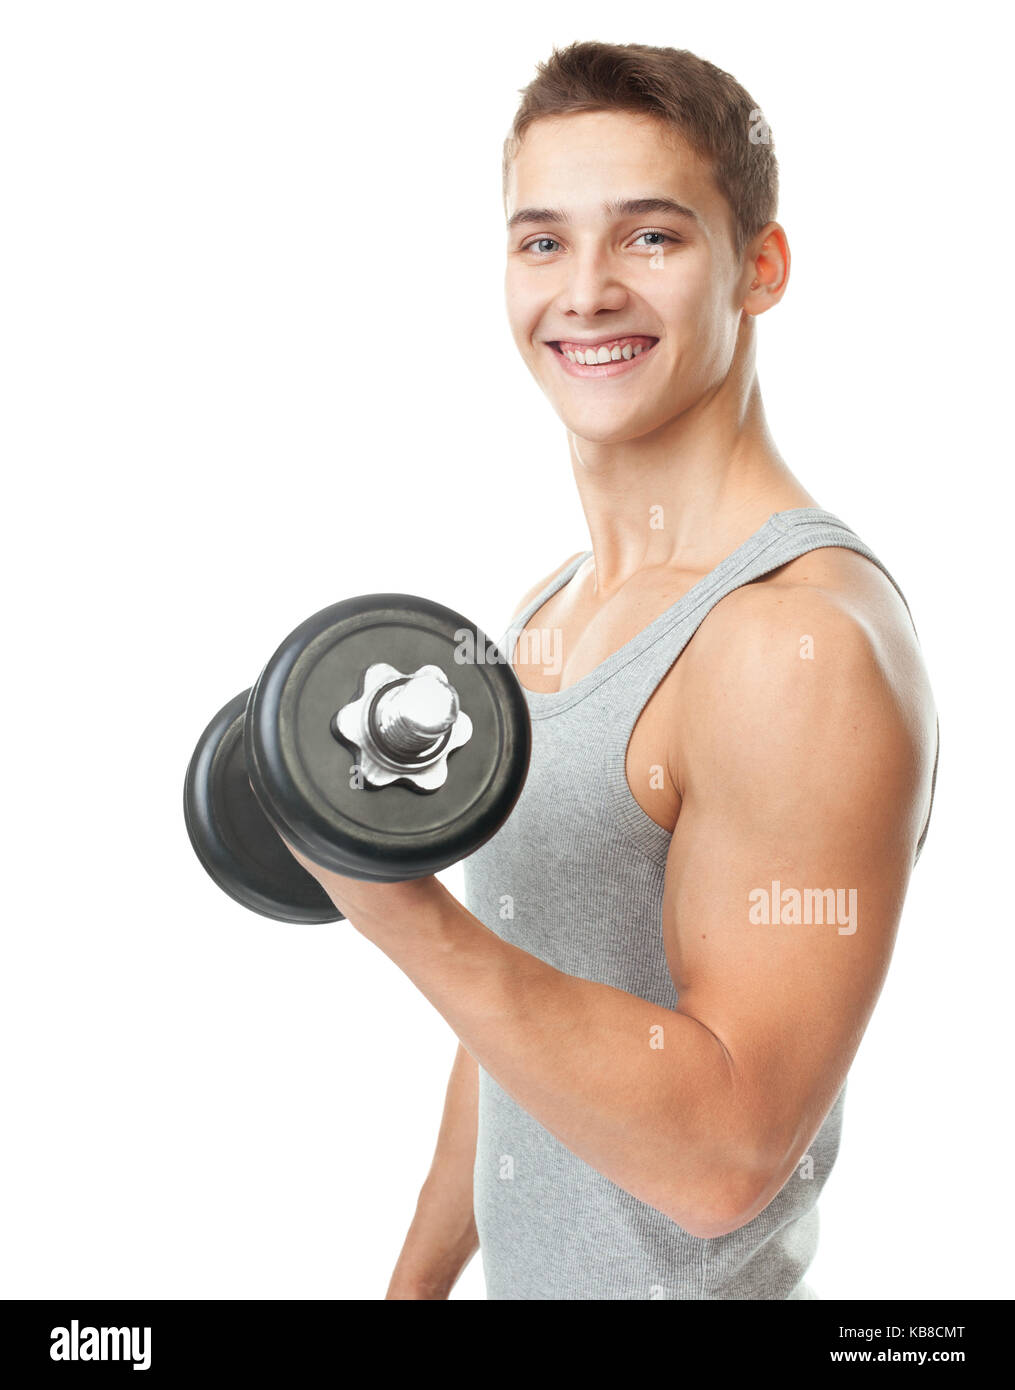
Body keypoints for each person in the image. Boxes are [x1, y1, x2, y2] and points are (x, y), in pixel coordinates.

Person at [283, 39, 939, 1299]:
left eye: (649, 237)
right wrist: (412, 1289)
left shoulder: (790, 645)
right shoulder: (545, 613)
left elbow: (729, 1153)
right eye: (541, 242)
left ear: (760, 266)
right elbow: (521, 1008)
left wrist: (396, 906)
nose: (584, 291)